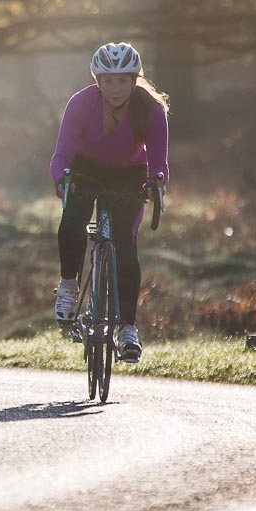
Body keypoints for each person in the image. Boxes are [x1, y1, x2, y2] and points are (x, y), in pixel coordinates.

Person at [49, 42, 170, 363]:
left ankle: (127, 328)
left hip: (130, 173)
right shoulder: (81, 104)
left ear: (134, 81)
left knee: (125, 244)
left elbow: (159, 160)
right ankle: (68, 286)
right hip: (86, 168)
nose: (115, 88)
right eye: (108, 81)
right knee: (72, 221)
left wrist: (156, 180)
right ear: (97, 82)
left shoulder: (151, 110)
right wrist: (61, 177)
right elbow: (62, 152)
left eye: (123, 81)